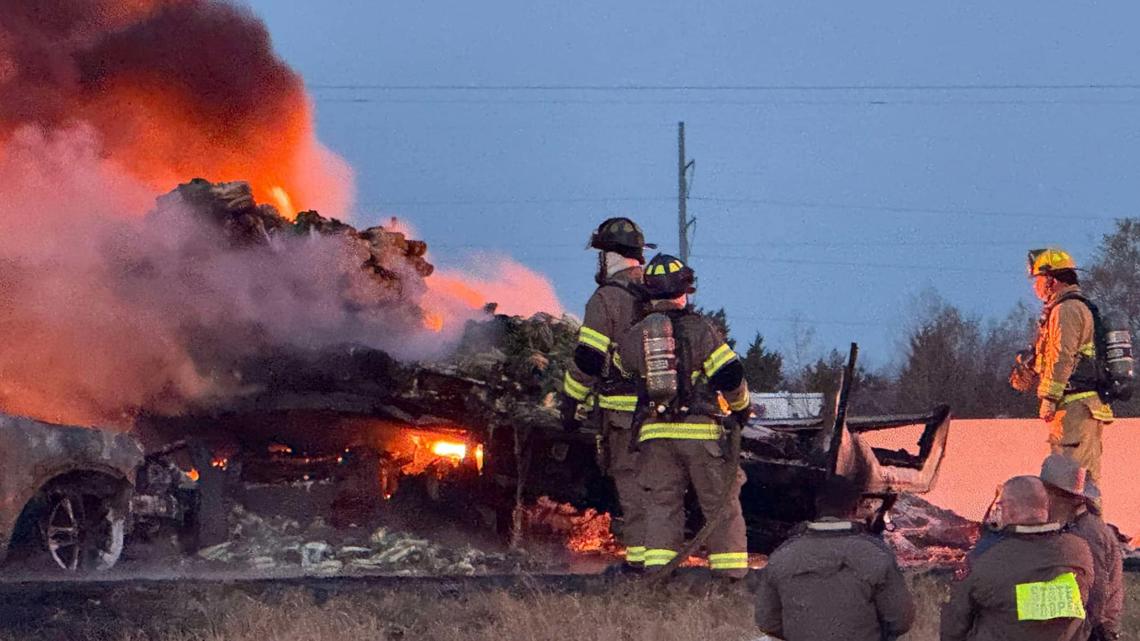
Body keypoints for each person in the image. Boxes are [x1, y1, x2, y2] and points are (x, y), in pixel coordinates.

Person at [615, 253, 752, 578]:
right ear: (685, 290)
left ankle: (660, 579)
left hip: (654, 435)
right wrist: (741, 407)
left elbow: (621, 368)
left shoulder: (636, 336)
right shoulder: (700, 330)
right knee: (720, 507)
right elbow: (730, 374)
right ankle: (730, 580)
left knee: (662, 506)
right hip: (700, 435)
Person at [560, 217, 653, 568]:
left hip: (624, 417)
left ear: (609, 256)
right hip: (665, 412)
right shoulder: (661, 290)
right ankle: (663, 560)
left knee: (632, 490)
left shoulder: (607, 299)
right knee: (662, 493)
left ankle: (641, 567)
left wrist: (571, 401)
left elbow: (588, 358)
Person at [753, 475, 915, 641]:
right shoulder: (876, 555)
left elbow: (767, 621)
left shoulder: (782, 556)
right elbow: (900, 620)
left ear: (817, 506)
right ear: (854, 508)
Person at [941, 475, 1094, 641]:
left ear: (1010, 508)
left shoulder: (988, 558)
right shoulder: (1079, 551)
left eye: (1000, 506)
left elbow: (954, 625)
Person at [1010, 248, 1113, 482]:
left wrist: (1049, 398)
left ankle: (1084, 520)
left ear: (1051, 280)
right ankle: (1084, 519)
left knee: (1071, 480)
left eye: (1038, 279)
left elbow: (1063, 356)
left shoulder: (1066, 310)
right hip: (1080, 407)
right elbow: (1057, 355)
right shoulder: (1069, 308)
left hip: (1074, 409)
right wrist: (1030, 368)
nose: (1035, 286)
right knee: (1080, 480)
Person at [1040, 454, 1124, 641]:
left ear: (1059, 496)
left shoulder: (1087, 532)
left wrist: (1084, 631)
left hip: (1090, 630)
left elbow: (1097, 592)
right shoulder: (1082, 525)